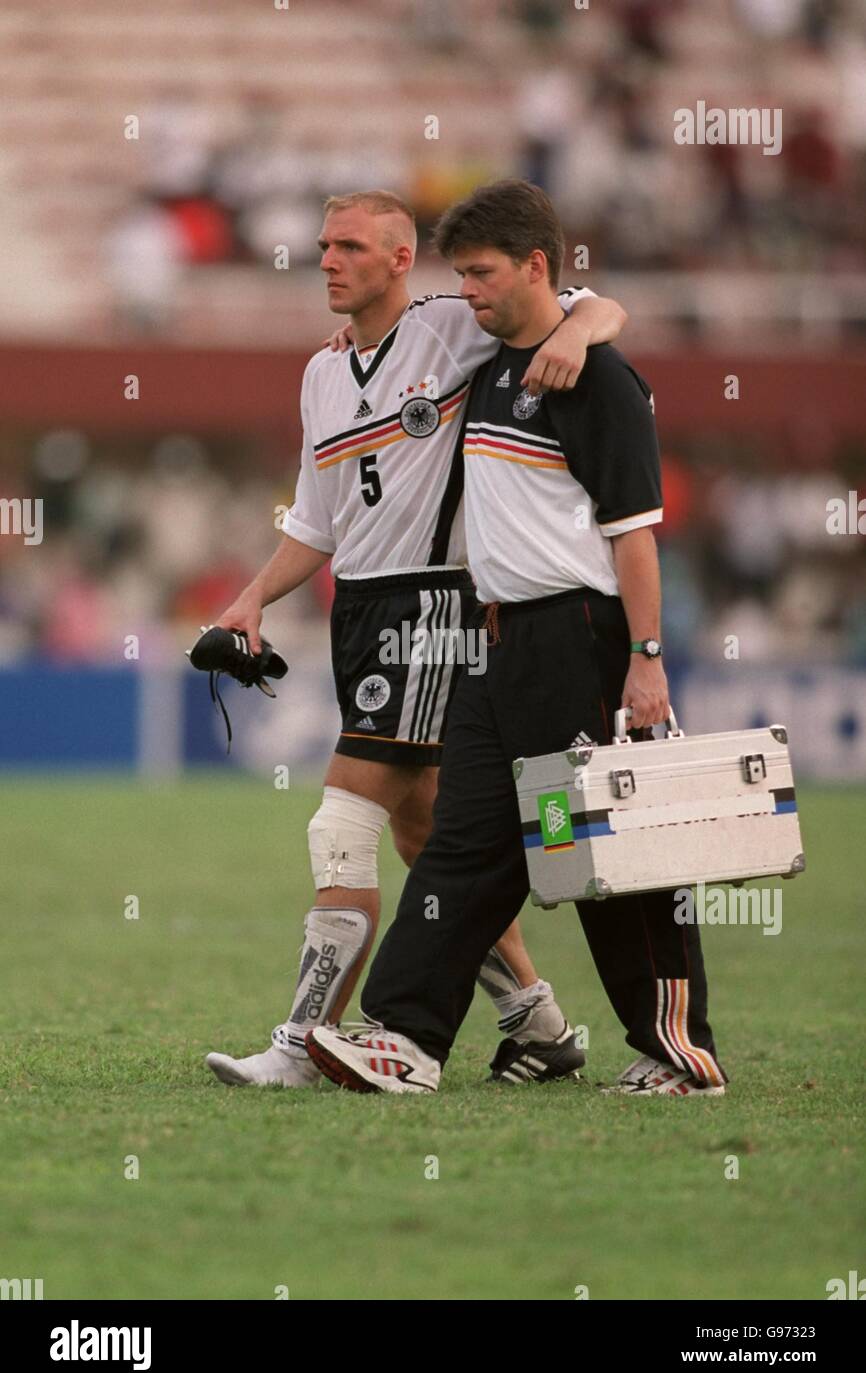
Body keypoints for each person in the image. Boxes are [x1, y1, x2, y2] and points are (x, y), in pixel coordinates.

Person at [305, 180, 729, 1098]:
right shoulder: (494, 367)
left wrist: (647, 663)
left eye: (483, 274)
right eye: (459, 276)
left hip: (578, 636)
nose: (468, 293)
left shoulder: (601, 378)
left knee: (606, 857)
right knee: (462, 845)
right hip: (494, 643)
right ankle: (407, 1041)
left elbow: (635, 534)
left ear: (538, 266)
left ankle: (680, 1054)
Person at [205, 189, 628, 1089]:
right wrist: (252, 598)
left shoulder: (451, 327)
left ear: (402, 260)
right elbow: (316, 523)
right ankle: (537, 1021)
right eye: (322, 245)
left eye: (350, 246)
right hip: (359, 610)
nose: (327, 260)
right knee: (425, 833)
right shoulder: (320, 375)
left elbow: (593, 303)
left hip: (437, 607)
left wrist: (576, 333)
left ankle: (300, 1048)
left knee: (341, 823)